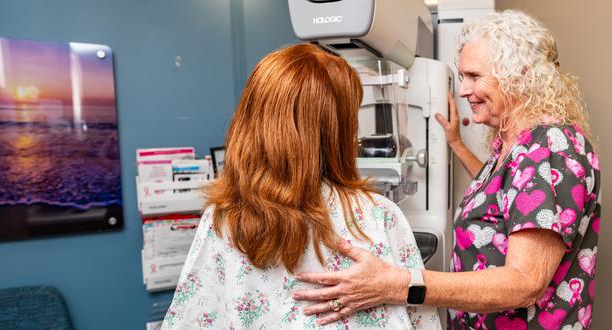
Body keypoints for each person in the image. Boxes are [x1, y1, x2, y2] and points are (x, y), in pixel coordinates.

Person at [293, 10, 602, 330]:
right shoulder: (519, 146)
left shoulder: (551, 147)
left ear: (519, 74)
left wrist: (396, 284)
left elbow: (524, 282)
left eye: (474, 76)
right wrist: (455, 143)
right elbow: (509, 196)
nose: (464, 90)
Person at [162, 43, 440, 329]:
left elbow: (191, 319)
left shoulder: (223, 219)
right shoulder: (378, 216)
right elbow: (423, 322)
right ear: (338, 131)